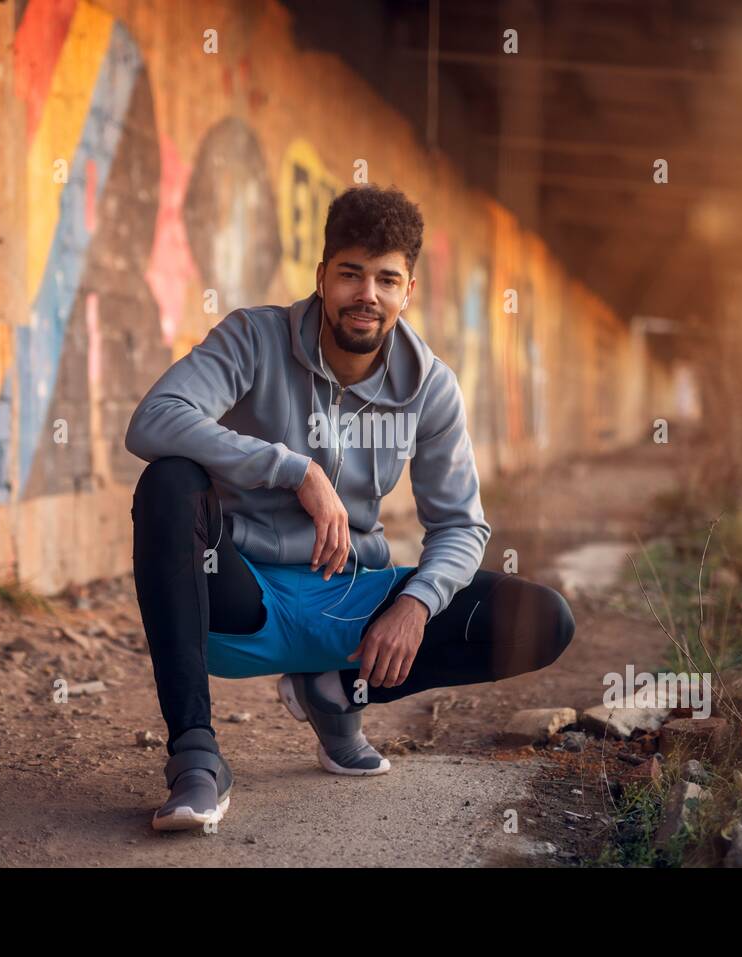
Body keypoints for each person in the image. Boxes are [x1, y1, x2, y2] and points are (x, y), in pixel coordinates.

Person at [125, 184, 575, 831]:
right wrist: (292, 467)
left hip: (350, 600)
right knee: (167, 479)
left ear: (407, 290)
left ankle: (336, 689)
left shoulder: (430, 386)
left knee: (543, 618)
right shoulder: (254, 337)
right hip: (238, 597)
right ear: (322, 278)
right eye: (351, 273)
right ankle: (196, 759)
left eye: (386, 278)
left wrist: (416, 604)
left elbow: (460, 523)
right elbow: (153, 420)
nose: (367, 293)